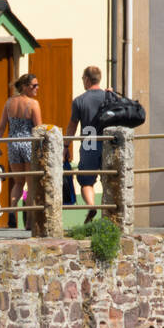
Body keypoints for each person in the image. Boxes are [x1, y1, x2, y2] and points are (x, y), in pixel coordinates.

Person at [0, 73, 42, 229]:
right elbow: (39, 128)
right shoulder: (33, 104)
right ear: (25, 87)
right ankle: (28, 222)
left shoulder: (9, 103)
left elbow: (1, 127)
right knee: (30, 183)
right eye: (34, 85)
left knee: (18, 182)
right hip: (28, 144)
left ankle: (12, 212)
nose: (37, 88)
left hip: (13, 144)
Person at [65, 65, 108, 223]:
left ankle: (91, 205)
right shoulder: (108, 97)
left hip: (89, 144)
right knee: (109, 180)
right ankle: (108, 214)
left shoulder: (79, 101)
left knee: (86, 181)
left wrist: (65, 146)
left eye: (83, 78)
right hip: (107, 144)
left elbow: (72, 126)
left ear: (88, 79)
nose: (82, 81)